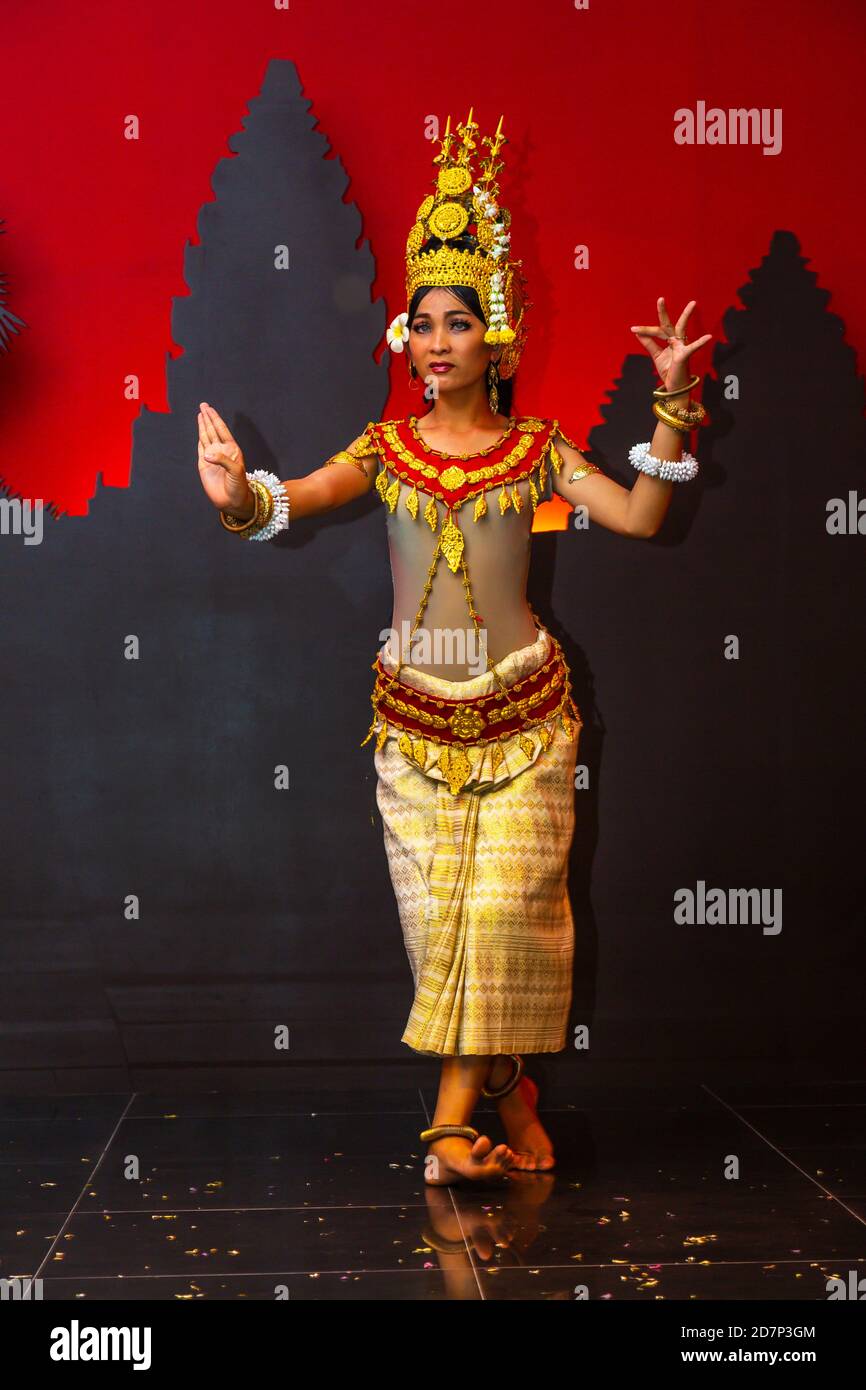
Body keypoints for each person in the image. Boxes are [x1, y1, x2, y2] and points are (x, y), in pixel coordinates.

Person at [195, 110, 710, 1188]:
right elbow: (300, 499)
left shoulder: (535, 450)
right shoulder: (382, 450)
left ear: (497, 338)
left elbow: (640, 519)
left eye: (459, 324)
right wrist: (242, 494)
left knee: (504, 921)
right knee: (444, 940)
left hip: (526, 722)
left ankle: (441, 1132)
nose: (437, 342)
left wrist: (668, 408)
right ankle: (510, 1097)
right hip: (413, 728)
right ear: (405, 340)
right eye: (421, 323)